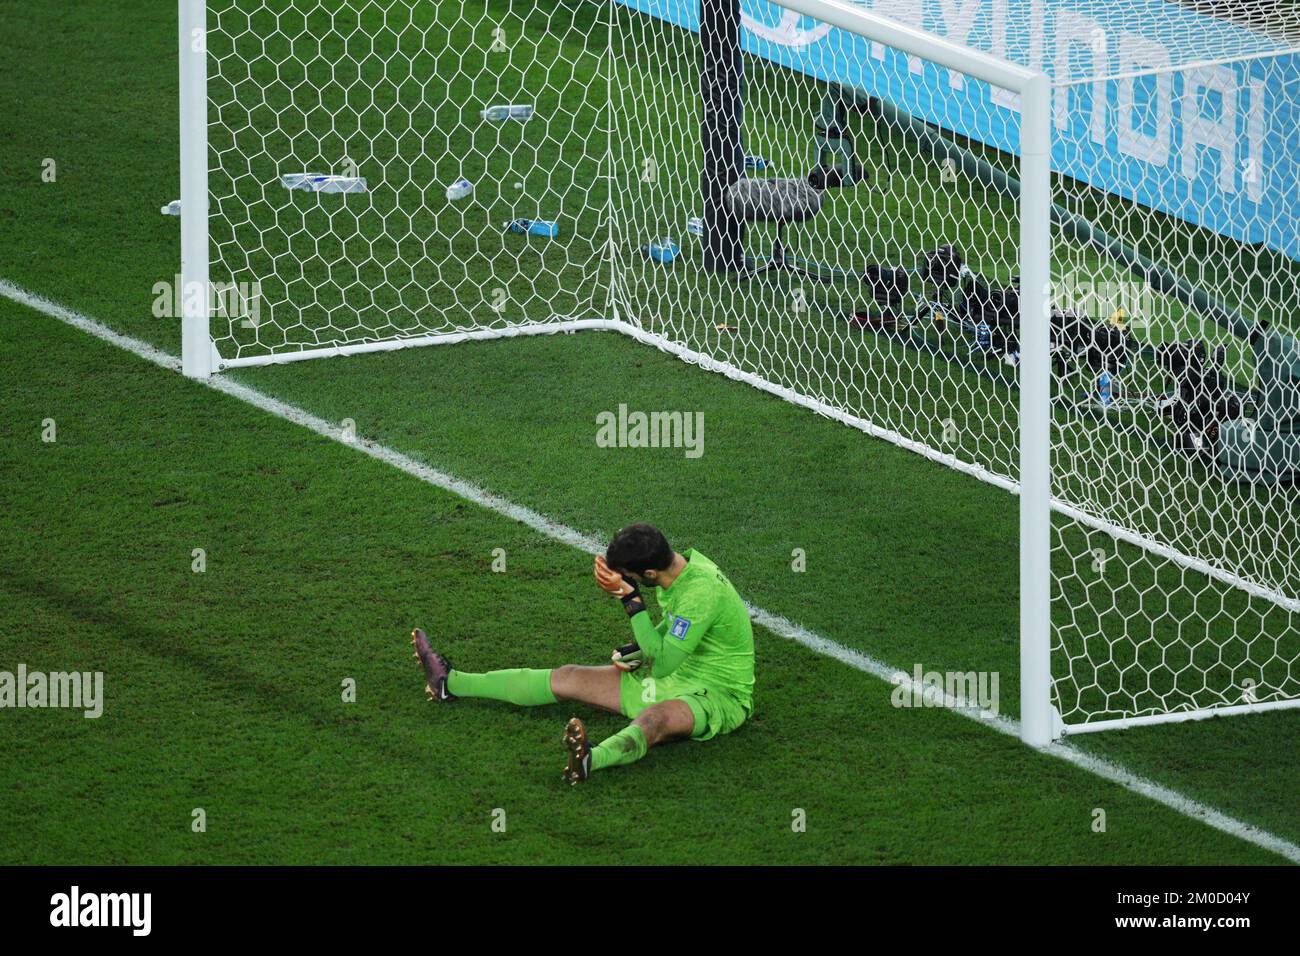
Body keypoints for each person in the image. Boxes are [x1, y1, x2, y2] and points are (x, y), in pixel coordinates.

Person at [410, 523, 755, 784]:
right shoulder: (681, 570)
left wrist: (632, 604)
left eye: (630, 577)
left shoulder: (700, 592)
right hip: (682, 672)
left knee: (654, 720)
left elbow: (663, 664)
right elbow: (672, 631)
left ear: (648, 574)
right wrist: (636, 650)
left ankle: (591, 758)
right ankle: (450, 683)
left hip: (717, 695)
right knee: (569, 676)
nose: (626, 581)